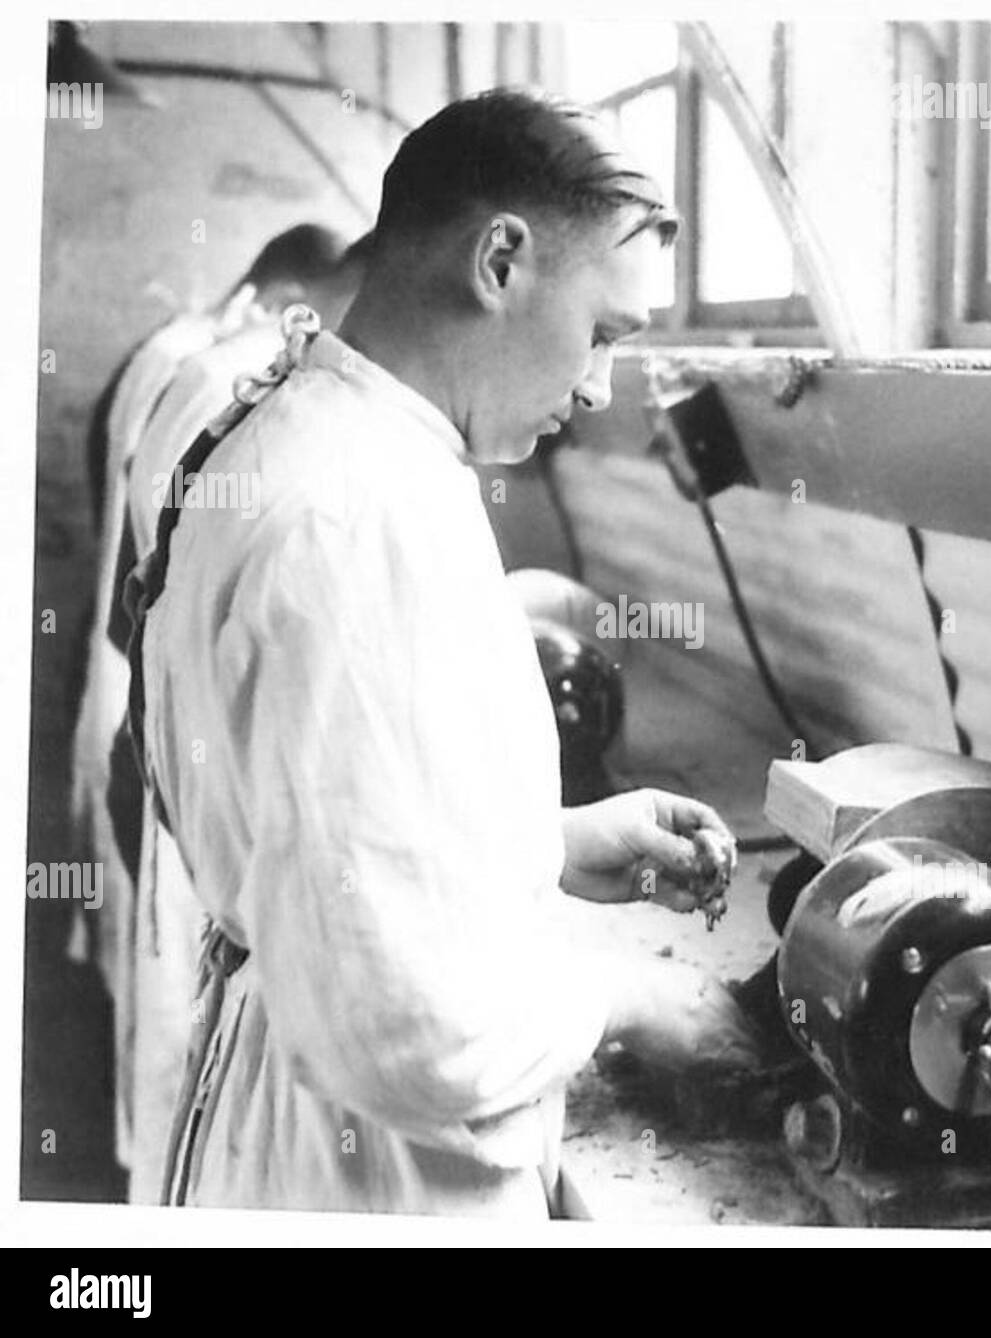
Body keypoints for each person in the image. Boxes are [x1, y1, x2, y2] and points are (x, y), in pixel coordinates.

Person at [130, 88, 756, 1217]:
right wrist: (620, 998)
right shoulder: (354, 520)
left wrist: (546, 841)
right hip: (366, 1174)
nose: (598, 384)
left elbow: (313, 828)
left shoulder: (320, 435)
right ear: (501, 262)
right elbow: (402, 1027)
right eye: (604, 332)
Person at [69, 222, 354, 1183]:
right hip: (187, 781)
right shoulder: (257, 400)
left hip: (156, 742)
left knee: (175, 1069)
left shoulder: (204, 369)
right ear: (292, 309)